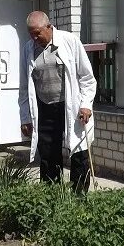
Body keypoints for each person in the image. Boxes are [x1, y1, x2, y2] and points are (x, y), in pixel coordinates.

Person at [19, 11, 97, 192]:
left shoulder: (70, 41)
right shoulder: (28, 49)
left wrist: (86, 105)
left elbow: (87, 78)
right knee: (48, 153)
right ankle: (51, 194)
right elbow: (24, 86)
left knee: (78, 151)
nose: (34, 38)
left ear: (49, 26)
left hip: (71, 107)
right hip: (44, 108)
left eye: (37, 33)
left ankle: (79, 197)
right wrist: (25, 117)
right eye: (31, 34)